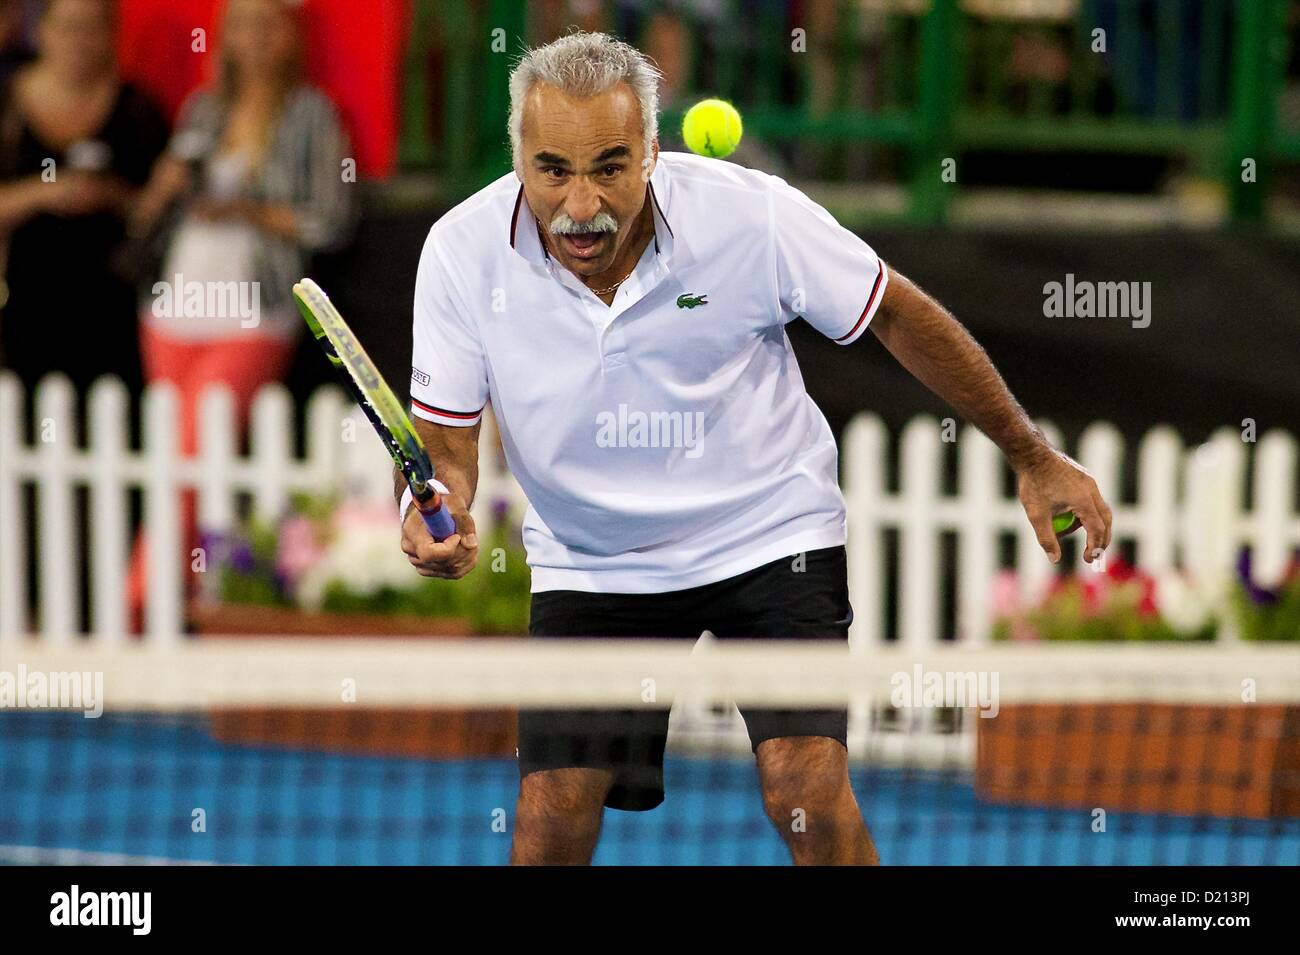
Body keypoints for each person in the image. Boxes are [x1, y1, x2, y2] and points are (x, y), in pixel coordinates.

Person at [399, 32, 1113, 865]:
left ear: (653, 152)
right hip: (595, 561)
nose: (580, 202)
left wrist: (1028, 451)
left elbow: (894, 311)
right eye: (553, 168)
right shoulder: (459, 250)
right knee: (553, 810)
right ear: (519, 155)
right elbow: (446, 445)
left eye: (610, 166)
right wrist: (435, 503)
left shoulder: (751, 215)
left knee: (804, 789)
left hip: (770, 535)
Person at [125, 0, 354, 631]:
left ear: (291, 35)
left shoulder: (313, 115)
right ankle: (197, 611)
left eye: (267, 24)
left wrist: (247, 210)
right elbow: (148, 218)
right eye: (241, 25)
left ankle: (136, 604)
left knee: (194, 456)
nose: (252, 38)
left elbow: (329, 220)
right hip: (172, 306)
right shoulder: (203, 110)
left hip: (255, 309)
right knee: (187, 463)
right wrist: (166, 185)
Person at [0, 0, 168, 404]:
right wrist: (43, 193)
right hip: (25, 298)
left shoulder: (138, 109)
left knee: (111, 411)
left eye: (92, 29)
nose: (79, 42)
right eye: (68, 27)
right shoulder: (7, 104)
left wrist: (109, 195)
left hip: (112, 300)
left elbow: (158, 211)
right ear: (42, 31)